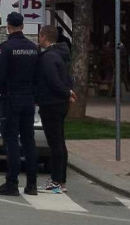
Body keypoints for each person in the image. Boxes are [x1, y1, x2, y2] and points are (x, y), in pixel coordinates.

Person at [0, 12, 41, 196]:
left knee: (11, 141)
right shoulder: (33, 48)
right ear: (23, 26)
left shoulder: (5, 48)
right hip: (28, 99)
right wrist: (36, 97)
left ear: (8, 26)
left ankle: (12, 183)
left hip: (11, 99)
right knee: (29, 141)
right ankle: (32, 184)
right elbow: (38, 75)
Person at [36, 25, 75, 194]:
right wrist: (68, 93)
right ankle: (60, 180)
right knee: (59, 142)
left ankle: (56, 180)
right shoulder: (61, 54)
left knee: (55, 144)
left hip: (51, 103)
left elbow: (53, 80)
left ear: (44, 37)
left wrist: (66, 93)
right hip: (60, 103)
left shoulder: (48, 57)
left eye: (39, 36)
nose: (39, 39)